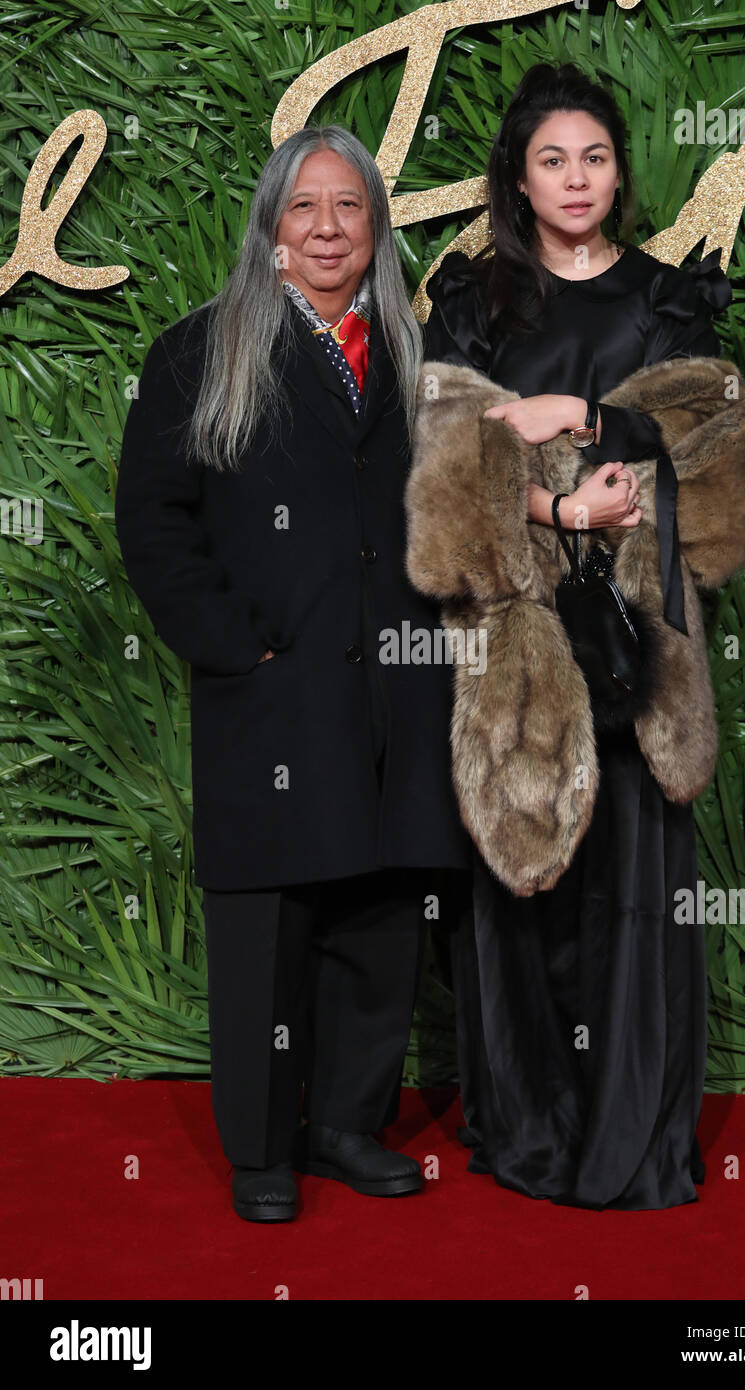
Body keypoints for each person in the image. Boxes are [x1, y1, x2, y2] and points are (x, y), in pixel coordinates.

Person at [114, 125, 472, 1223]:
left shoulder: (418, 355)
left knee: (374, 912)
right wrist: (233, 645)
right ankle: (263, 1148)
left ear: (376, 230)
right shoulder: (199, 351)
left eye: (348, 208)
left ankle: (344, 1127)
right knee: (268, 928)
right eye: (302, 208)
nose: (325, 228)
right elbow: (152, 520)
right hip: (272, 692)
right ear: (270, 231)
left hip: (398, 690)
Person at [422, 63, 733, 1210]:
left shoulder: (664, 299)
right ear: (516, 175)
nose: (574, 178)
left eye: (593, 157)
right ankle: (532, 1131)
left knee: (635, 886)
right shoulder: (473, 306)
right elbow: (440, 473)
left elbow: (715, 446)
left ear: (618, 170)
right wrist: (562, 508)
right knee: (525, 874)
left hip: (641, 633)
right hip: (516, 637)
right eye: (550, 159)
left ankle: (633, 1143)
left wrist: (578, 417)